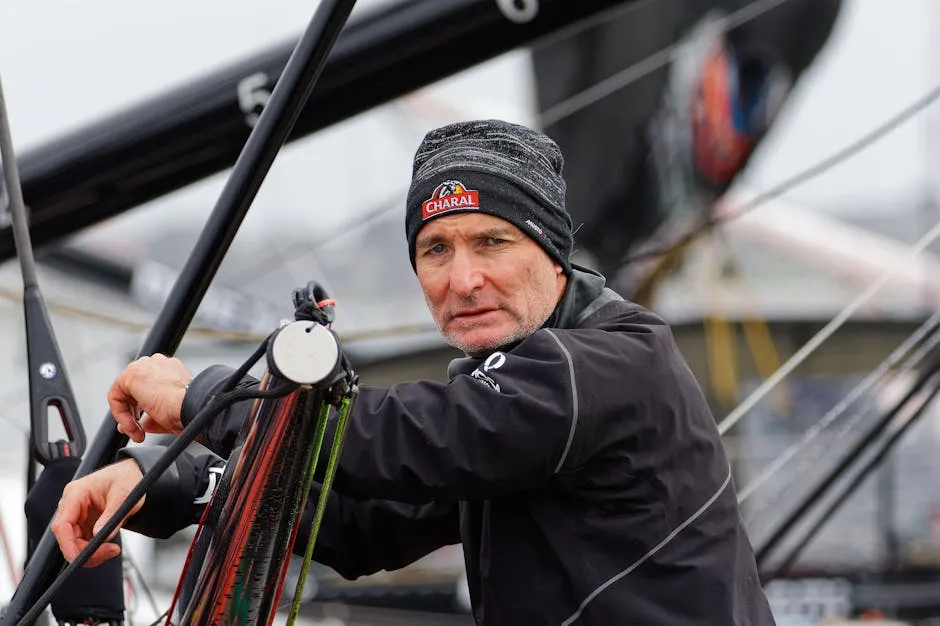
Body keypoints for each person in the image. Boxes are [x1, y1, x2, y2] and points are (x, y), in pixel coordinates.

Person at [53, 119, 775, 625]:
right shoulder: (525, 395)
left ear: (553, 256)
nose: (463, 280)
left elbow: (419, 440)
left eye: (492, 242)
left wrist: (206, 401)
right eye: (436, 251)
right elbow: (369, 523)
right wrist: (174, 485)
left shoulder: (611, 362)